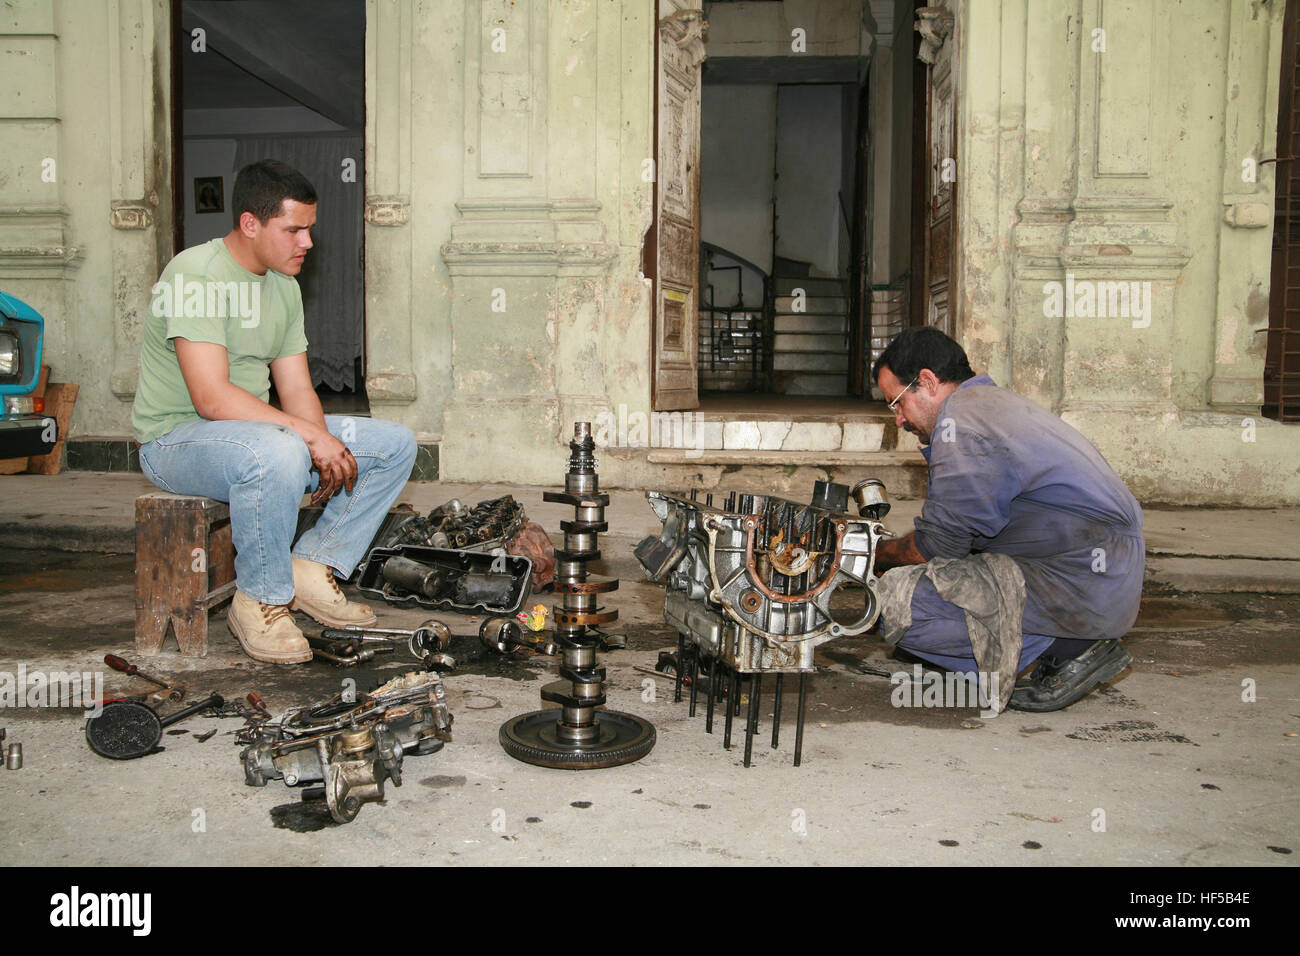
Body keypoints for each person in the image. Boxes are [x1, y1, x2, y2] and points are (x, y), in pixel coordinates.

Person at [132, 159, 417, 664]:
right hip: (176, 440)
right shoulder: (194, 274)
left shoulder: (283, 286)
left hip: (251, 435)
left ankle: (312, 565)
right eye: (294, 230)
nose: (306, 242)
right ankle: (260, 598)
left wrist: (319, 434)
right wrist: (308, 439)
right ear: (250, 223)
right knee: (282, 449)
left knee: (393, 445)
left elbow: (297, 389)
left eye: (309, 229)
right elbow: (212, 399)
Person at [871, 326, 1142, 711]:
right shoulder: (988, 404)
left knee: (898, 607)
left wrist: (874, 557)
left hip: (1082, 582)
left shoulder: (962, 419)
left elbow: (939, 546)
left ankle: (1072, 648)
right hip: (1094, 569)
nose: (898, 419)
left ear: (927, 381)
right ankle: (1063, 641)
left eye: (897, 402)